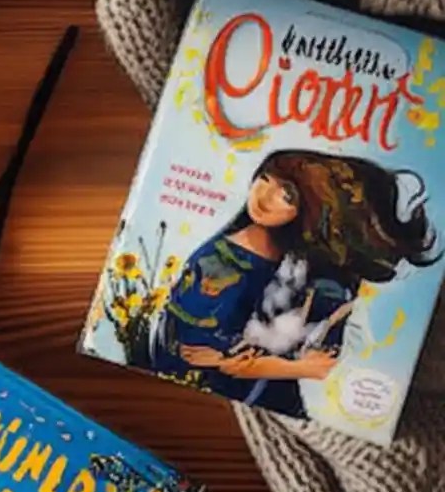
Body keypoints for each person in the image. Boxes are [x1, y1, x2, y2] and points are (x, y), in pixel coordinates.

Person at [153, 149, 438, 417]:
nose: (264, 196)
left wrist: (237, 363)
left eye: (286, 195)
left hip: (255, 399)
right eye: (264, 179)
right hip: (188, 384)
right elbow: (186, 339)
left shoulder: (311, 278)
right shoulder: (223, 252)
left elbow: (320, 364)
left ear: (311, 213)